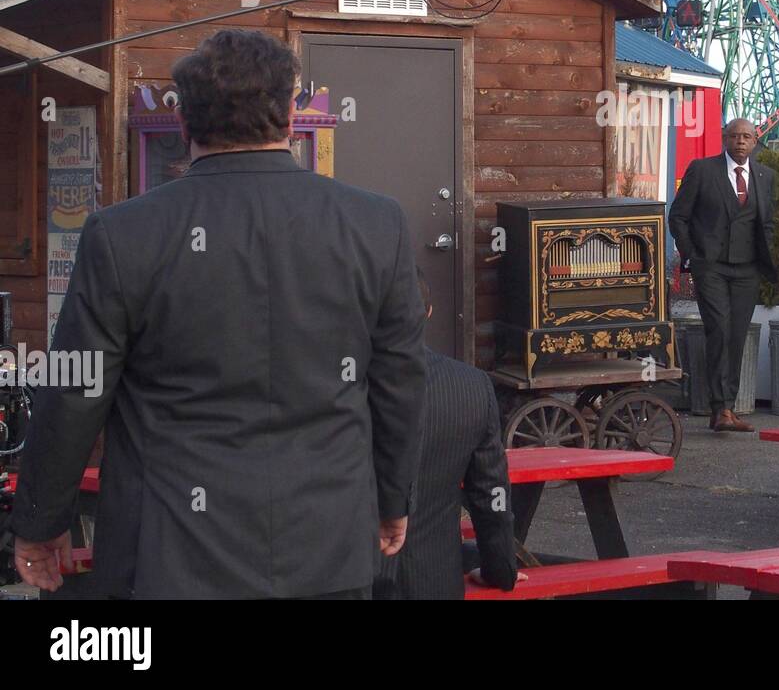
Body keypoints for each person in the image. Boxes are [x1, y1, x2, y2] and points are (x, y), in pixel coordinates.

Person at [10, 29, 426, 599]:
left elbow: (76, 391)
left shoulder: (123, 234)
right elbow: (399, 381)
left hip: (169, 554)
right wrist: (393, 499)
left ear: (185, 123)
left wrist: (39, 522)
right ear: (288, 114)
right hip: (326, 546)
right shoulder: (376, 224)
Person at [375, 270, 519, 600]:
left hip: (354, 580)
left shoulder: (341, 389)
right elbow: (492, 495)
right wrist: (501, 571)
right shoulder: (472, 386)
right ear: (428, 312)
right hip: (435, 581)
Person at [668, 118, 776, 433]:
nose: (740, 141)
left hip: (747, 268)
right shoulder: (702, 170)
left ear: (755, 142)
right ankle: (720, 409)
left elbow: (767, 221)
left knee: (738, 334)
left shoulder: (765, 177)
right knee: (720, 329)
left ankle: (727, 408)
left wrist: (769, 258)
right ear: (724, 139)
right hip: (711, 266)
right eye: (734, 136)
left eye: (746, 137)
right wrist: (692, 254)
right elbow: (679, 216)